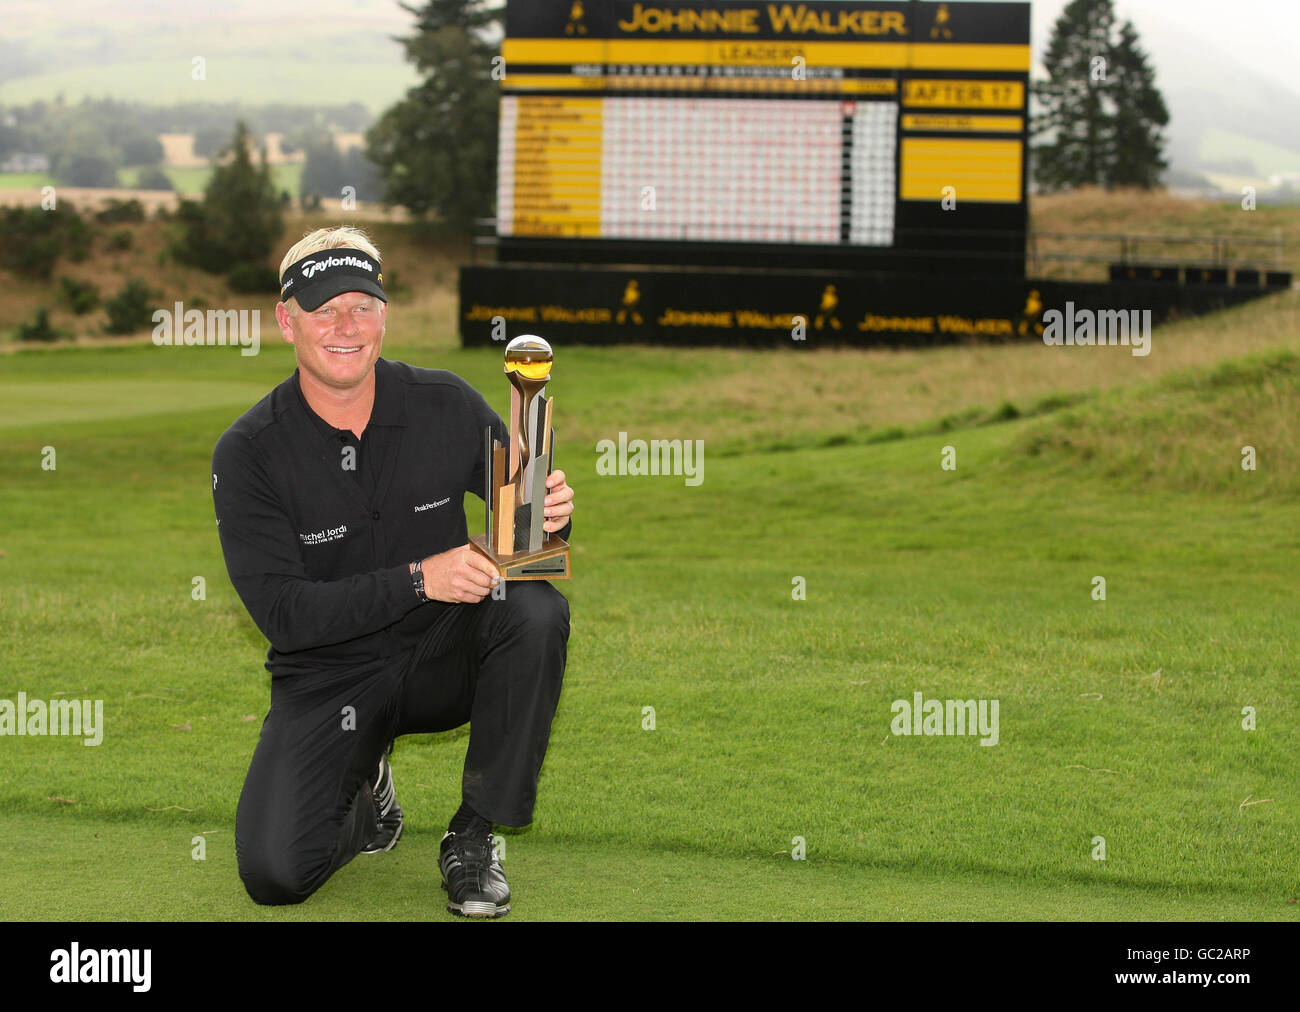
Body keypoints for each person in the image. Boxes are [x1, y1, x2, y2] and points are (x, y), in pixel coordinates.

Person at [211, 226, 574, 918]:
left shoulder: (444, 402)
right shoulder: (251, 451)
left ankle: (472, 837)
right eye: (324, 309)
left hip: (443, 655)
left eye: (363, 304)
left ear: (385, 314)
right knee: (275, 876)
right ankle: (368, 804)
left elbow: (522, 534)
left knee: (534, 609)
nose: (346, 325)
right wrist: (418, 578)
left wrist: (549, 514)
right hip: (328, 675)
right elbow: (285, 616)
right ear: (287, 320)